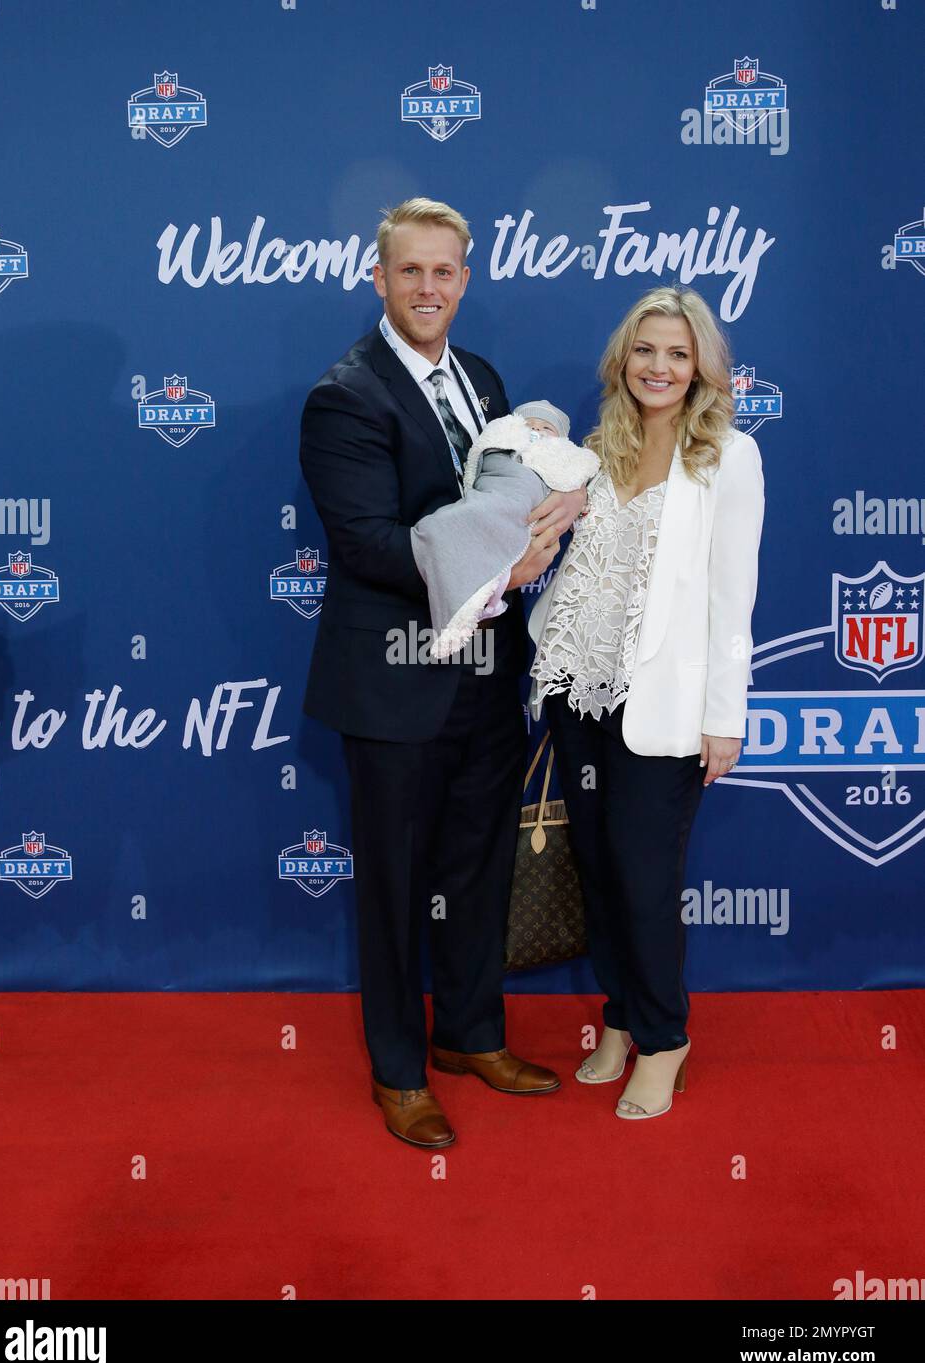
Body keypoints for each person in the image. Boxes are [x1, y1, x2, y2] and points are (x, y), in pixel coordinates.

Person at [299, 197, 587, 1148]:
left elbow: (517, 492)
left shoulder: (486, 379)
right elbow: (369, 545)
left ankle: (471, 1035)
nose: (429, 288)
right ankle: (398, 1072)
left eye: (445, 272)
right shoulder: (346, 395)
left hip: (487, 671)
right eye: (410, 271)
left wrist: (552, 515)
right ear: (378, 278)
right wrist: (506, 566)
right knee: (392, 884)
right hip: (394, 679)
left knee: (478, 865)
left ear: (466, 278)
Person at [528, 285, 765, 1120]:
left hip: (660, 708)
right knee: (597, 871)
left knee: (644, 879)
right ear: (622, 361)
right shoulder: (599, 448)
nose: (659, 367)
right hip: (576, 692)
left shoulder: (727, 457)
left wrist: (723, 718)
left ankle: (665, 1039)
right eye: (644, 351)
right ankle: (620, 1020)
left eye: (676, 352)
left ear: (701, 365)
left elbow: (731, 601)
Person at [410, 400, 598, 658]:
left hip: (520, 504)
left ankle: (473, 607)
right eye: (529, 424)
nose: (536, 431)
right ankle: (465, 605)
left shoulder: (562, 453)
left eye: (546, 428)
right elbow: (481, 465)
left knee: (491, 523)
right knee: (445, 527)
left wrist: (577, 491)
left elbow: (578, 475)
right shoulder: (502, 442)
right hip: (492, 493)